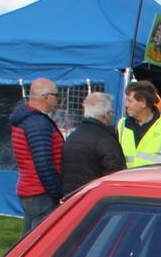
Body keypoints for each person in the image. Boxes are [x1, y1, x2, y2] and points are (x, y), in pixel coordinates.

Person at [9, 78, 64, 237]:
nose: (57, 99)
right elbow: (43, 163)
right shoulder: (38, 123)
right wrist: (57, 192)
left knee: (29, 240)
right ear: (46, 97)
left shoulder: (26, 119)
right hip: (40, 193)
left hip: (31, 190)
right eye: (56, 95)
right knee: (41, 241)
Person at [62, 90, 125, 194]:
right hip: (95, 200)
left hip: (72, 200)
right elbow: (115, 175)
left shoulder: (72, 137)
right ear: (106, 114)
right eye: (112, 112)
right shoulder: (105, 139)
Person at [119, 81, 161, 167]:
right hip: (126, 180)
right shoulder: (122, 124)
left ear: (143, 103)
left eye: (129, 101)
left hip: (156, 180)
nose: (126, 104)